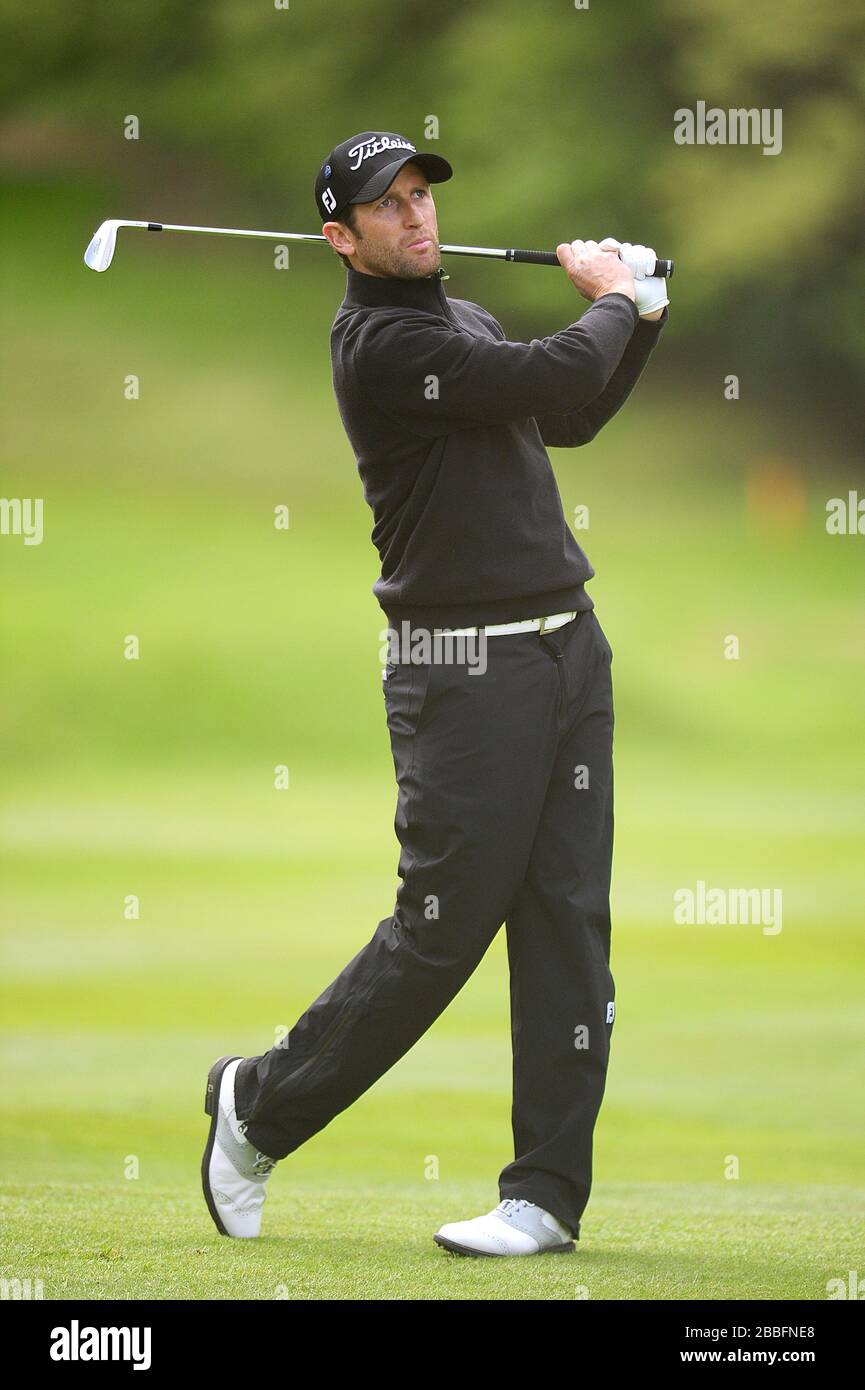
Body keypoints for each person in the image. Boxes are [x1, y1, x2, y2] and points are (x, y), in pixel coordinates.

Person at [201, 130, 669, 1256]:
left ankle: (543, 1198)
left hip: (568, 650)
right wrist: (612, 295)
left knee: (568, 926)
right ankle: (256, 1108)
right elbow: (560, 369)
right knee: (440, 930)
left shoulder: (459, 322)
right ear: (339, 238)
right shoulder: (376, 347)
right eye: (386, 205)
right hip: (464, 671)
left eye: (420, 196)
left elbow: (572, 411)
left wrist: (639, 320)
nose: (415, 217)